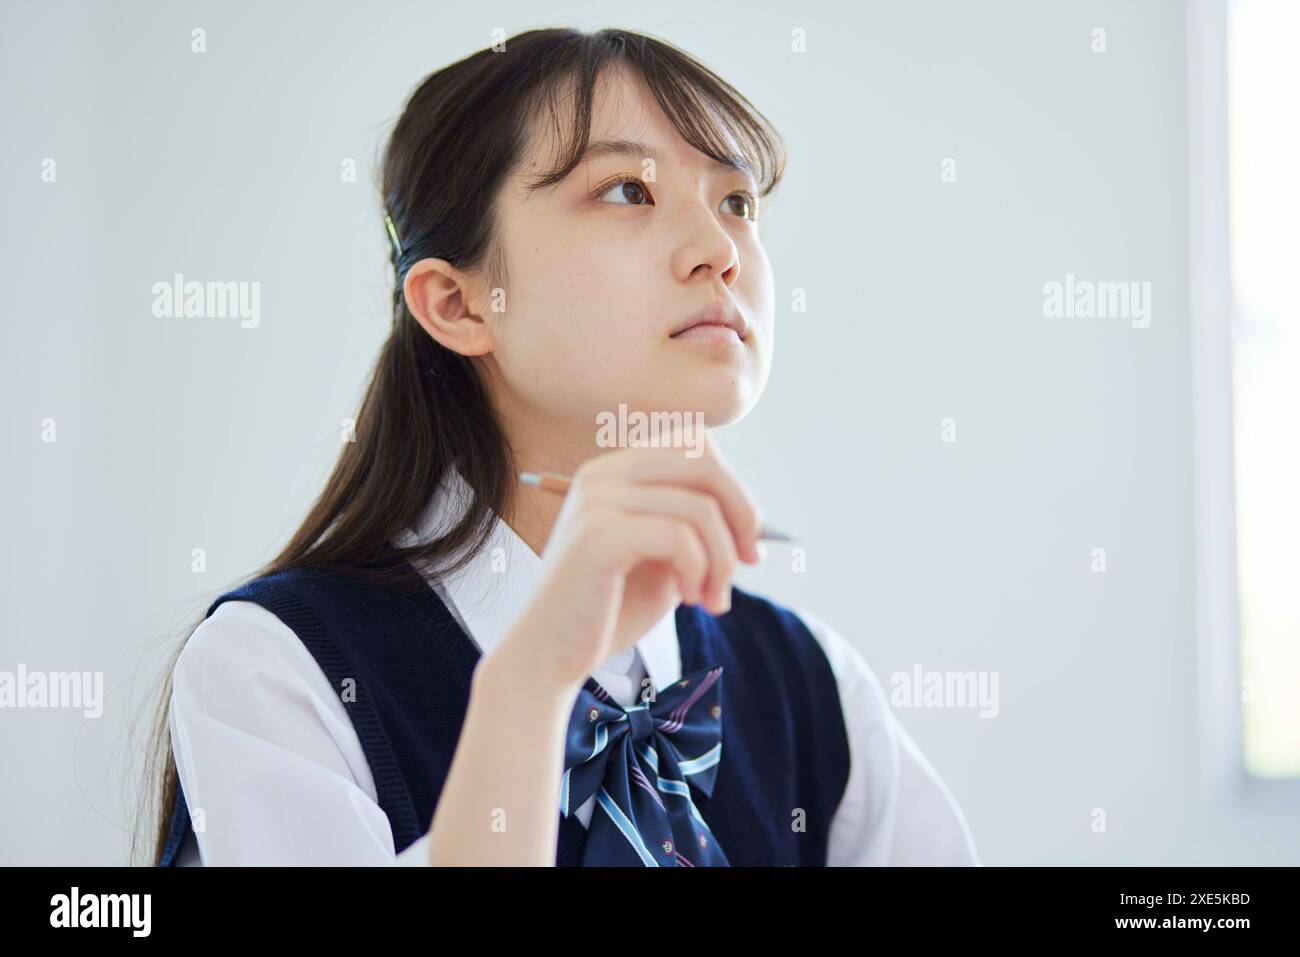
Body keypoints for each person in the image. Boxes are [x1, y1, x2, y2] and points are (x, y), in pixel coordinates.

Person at [147, 26, 979, 867]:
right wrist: (529, 686)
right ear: (457, 304)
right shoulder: (274, 666)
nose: (719, 250)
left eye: (737, 202)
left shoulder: (812, 685)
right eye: (627, 190)